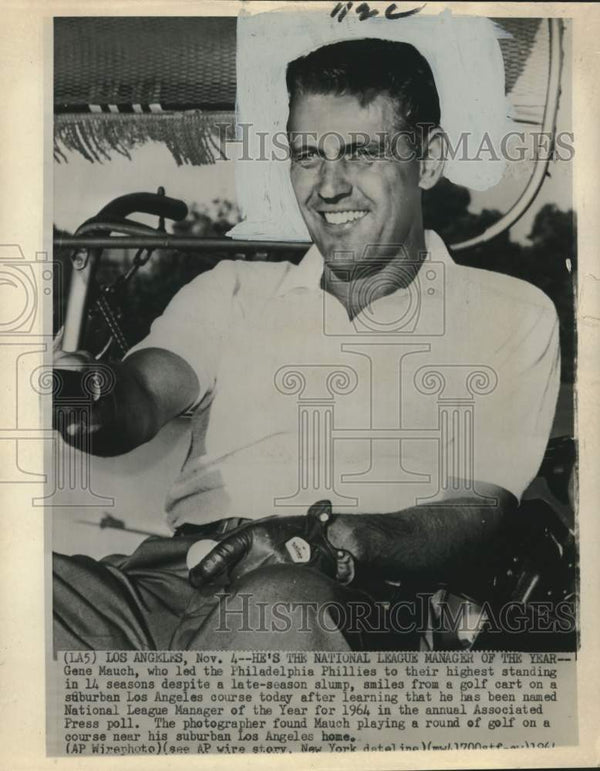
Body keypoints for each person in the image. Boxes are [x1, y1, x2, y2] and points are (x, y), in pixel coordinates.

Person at [53, 39, 560, 651]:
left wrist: (331, 540)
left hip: (349, 596)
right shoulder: (233, 288)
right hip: (173, 581)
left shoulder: (512, 313)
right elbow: (135, 400)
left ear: (427, 161)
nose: (328, 186)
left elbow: (476, 512)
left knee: (282, 605)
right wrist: (88, 395)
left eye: (361, 153)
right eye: (306, 154)